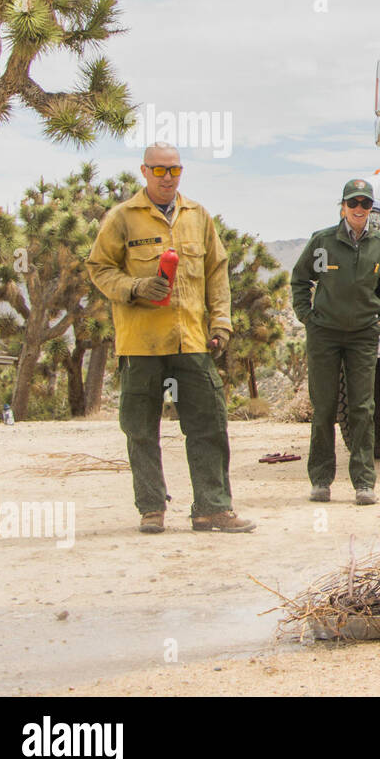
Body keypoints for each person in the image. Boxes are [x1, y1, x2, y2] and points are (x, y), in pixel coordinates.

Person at [87, 142, 255, 533]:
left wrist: (222, 322)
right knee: (141, 430)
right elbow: (99, 268)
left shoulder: (198, 216)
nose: (167, 177)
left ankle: (212, 508)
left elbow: (217, 272)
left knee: (209, 425)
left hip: (191, 341)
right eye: (159, 170)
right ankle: (151, 508)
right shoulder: (122, 218)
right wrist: (134, 288)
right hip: (141, 343)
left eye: (174, 170)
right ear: (144, 171)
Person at [290, 179, 380, 505]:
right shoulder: (322, 242)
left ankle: (364, 483)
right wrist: (307, 317)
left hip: (363, 336)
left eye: (365, 204)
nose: (359, 209)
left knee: (362, 409)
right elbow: (300, 279)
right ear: (343, 206)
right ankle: (321, 480)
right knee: (323, 408)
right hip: (324, 335)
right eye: (353, 203)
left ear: (370, 209)